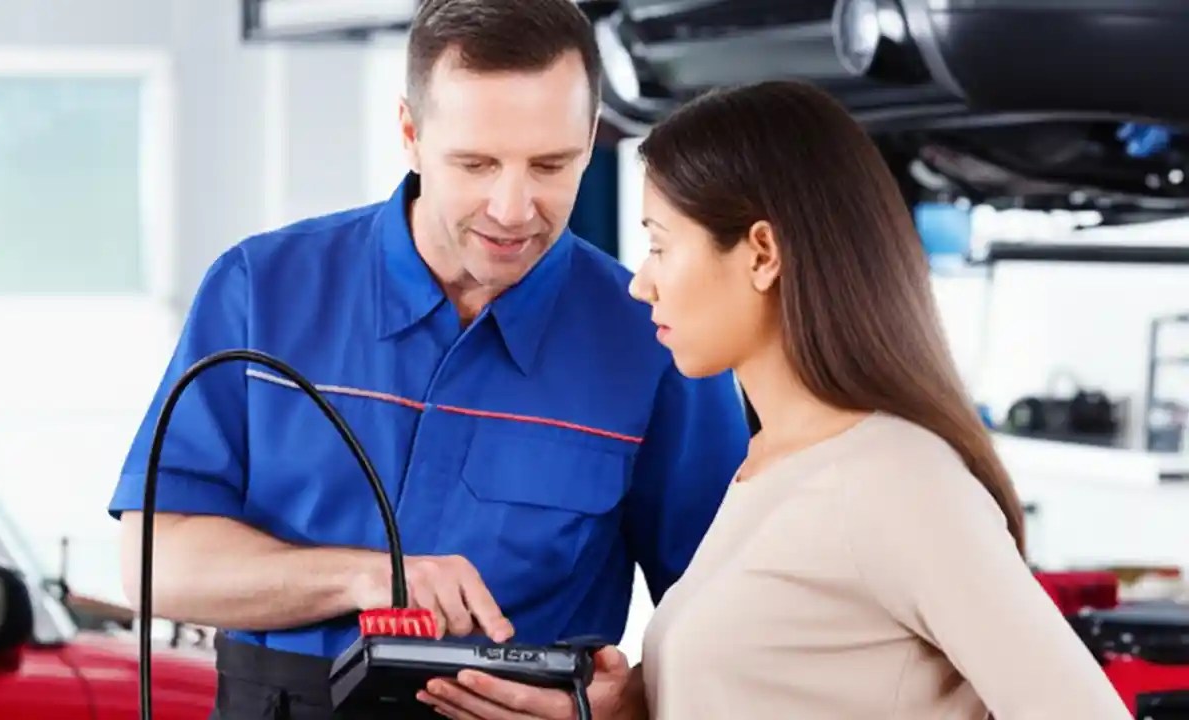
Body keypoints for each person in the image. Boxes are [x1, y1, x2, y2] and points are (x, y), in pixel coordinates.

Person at [106, 0, 749, 717]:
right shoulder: (261, 290)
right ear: (410, 134)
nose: (513, 208)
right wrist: (363, 578)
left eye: (551, 165)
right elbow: (155, 563)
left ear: (592, 136)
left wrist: (620, 705)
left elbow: (732, 624)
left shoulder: (656, 338)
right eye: (476, 164)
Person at [416, 81, 1131, 719]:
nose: (641, 283)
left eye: (661, 246)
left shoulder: (897, 480)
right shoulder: (769, 466)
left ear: (761, 253)